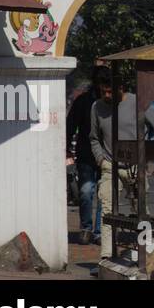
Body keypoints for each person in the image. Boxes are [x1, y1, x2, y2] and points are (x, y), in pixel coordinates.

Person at [90, 74, 154, 260]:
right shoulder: (96, 107)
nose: (107, 95)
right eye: (104, 92)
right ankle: (107, 256)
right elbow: (94, 138)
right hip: (110, 165)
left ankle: (145, 253)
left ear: (122, 88)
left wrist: (147, 154)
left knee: (141, 211)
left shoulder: (138, 103)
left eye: (111, 91)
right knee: (107, 210)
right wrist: (101, 159)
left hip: (135, 166)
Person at [66, 67, 110, 245]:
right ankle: (86, 228)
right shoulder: (83, 101)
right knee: (85, 192)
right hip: (86, 154)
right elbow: (71, 124)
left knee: (103, 194)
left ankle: (100, 231)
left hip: (107, 154)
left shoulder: (112, 101)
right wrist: (66, 147)